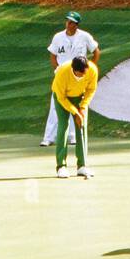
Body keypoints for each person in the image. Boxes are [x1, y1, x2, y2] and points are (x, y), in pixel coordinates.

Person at [40, 11, 100, 147]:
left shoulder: (84, 36)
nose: (69, 24)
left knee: (76, 105)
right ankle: (48, 137)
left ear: (76, 24)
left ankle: (73, 137)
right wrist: (57, 70)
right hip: (62, 77)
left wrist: (90, 69)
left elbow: (96, 51)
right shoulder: (58, 37)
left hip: (78, 77)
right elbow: (53, 56)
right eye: (67, 21)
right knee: (55, 107)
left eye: (72, 22)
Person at [51, 55, 97, 179]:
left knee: (82, 126)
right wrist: (75, 112)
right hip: (62, 98)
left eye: (85, 72)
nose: (83, 75)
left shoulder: (92, 69)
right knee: (63, 125)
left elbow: (91, 89)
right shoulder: (62, 72)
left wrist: (82, 108)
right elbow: (61, 97)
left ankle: (82, 165)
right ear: (74, 69)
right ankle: (61, 166)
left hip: (80, 98)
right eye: (80, 74)